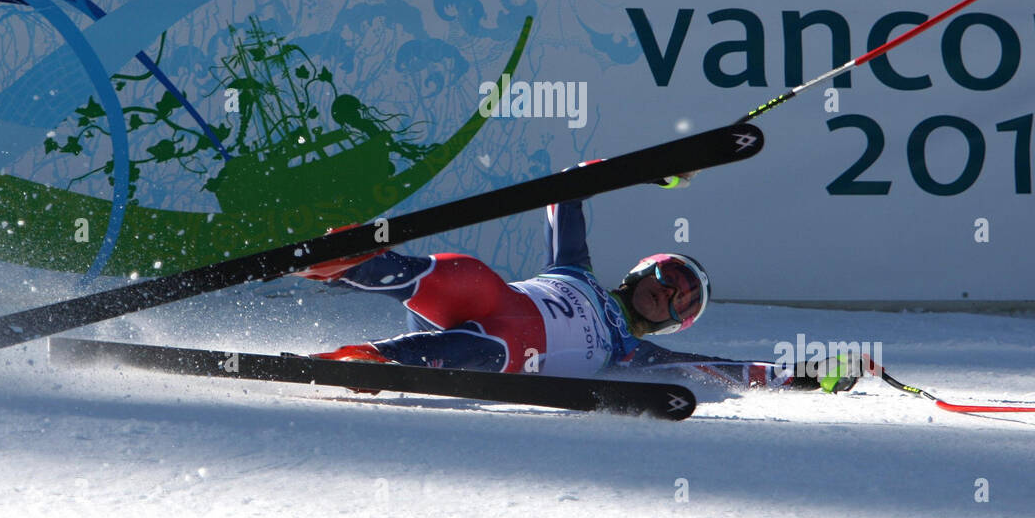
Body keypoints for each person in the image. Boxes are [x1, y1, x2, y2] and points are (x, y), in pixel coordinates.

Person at [299, 178, 858, 393]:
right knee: (466, 271)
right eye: (669, 278)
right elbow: (567, 192)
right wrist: (645, 169)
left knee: (499, 348)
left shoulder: (636, 352)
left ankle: (368, 361)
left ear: (676, 322)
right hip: (493, 301)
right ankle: (342, 262)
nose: (669, 293)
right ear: (643, 272)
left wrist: (816, 374)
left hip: (510, 350)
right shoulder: (576, 268)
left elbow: (737, 370)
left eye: (681, 300)